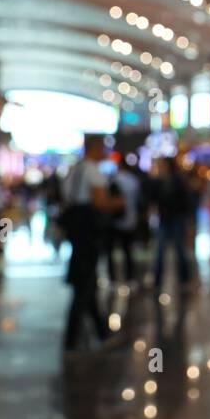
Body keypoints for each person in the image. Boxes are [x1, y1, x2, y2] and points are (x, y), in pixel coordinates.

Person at [61, 134, 123, 351]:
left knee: (85, 281)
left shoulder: (74, 171)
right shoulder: (93, 171)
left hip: (76, 231)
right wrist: (116, 203)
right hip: (88, 231)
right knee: (85, 283)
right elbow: (99, 201)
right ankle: (74, 337)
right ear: (95, 148)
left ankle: (99, 331)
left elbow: (66, 199)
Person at [150, 152, 195, 290]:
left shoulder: (176, 181)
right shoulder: (160, 181)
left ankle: (184, 278)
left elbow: (185, 201)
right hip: (166, 219)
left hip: (176, 218)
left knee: (179, 250)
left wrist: (188, 219)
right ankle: (158, 280)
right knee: (161, 251)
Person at [106, 154, 141, 284]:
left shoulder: (114, 179)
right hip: (130, 219)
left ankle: (112, 277)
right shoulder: (133, 180)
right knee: (127, 250)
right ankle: (130, 276)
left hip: (115, 219)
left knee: (111, 250)